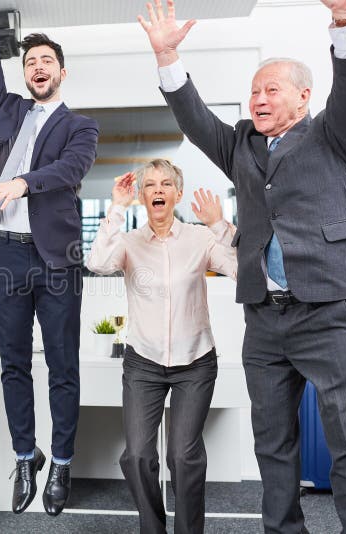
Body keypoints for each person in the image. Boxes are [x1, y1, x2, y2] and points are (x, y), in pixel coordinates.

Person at [139, 0, 346, 531]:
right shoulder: (240, 144)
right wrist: (167, 56)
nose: (259, 98)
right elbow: (194, 116)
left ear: (304, 96)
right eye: (254, 90)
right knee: (272, 444)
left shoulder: (335, 136)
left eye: (272, 89)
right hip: (265, 319)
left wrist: (345, 22)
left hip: (328, 310)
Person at [0, 1, 99, 516]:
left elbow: (71, 170)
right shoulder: (8, 110)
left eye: (46, 61)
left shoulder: (81, 126)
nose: (38, 67)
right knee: (13, 364)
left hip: (58, 261)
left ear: (61, 72)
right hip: (5, 255)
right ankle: (26, 455)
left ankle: (62, 462)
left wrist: (21, 183)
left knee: (62, 367)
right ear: (24, 74)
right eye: (30, 62)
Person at [87, 162, 236, 534]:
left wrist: (219, 225)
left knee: (183, 456)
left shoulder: (200, 239)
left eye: (166, 184)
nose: (158, 189)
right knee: (136, 455)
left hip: (195, 363)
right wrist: (116, 208)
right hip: (144, 364)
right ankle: (152, 528)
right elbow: (96, 262)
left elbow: (243, 269)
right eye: (150, 185)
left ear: (177, 195)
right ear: (142, 196)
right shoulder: (129, 243)